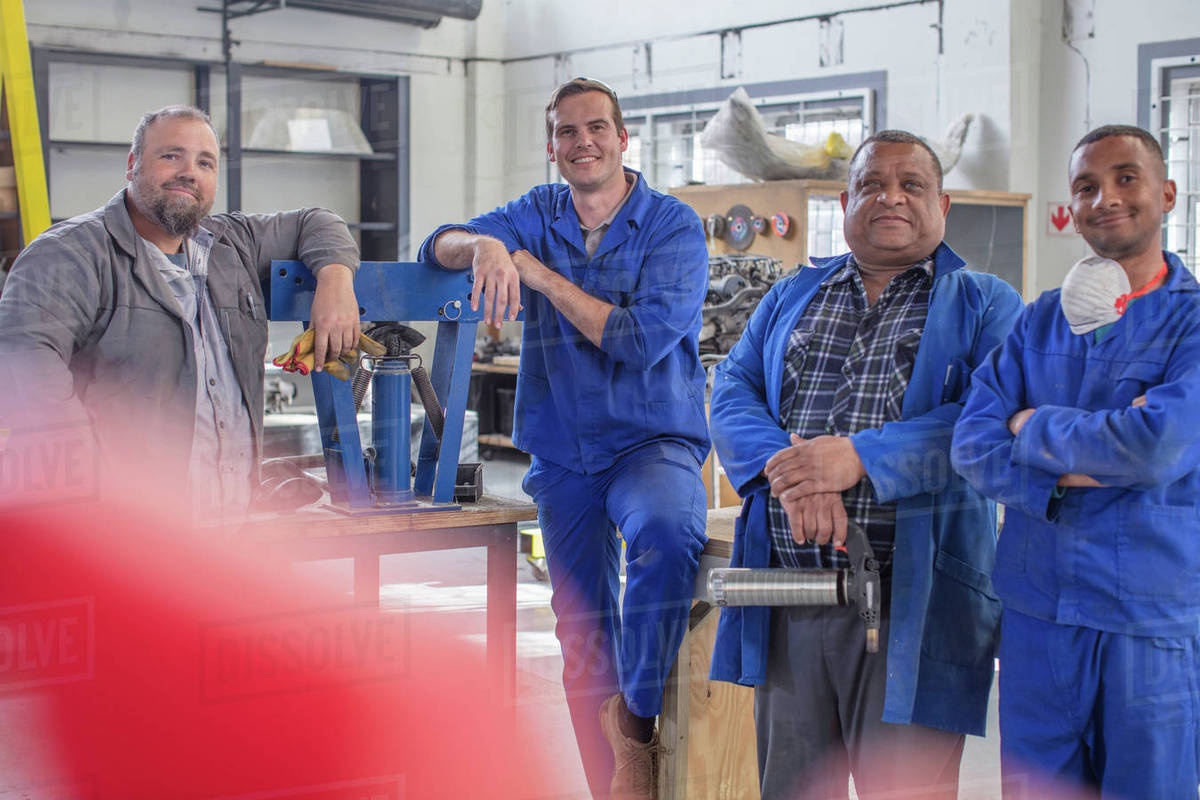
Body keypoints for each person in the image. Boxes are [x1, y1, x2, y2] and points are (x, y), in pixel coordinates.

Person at [708, 130, 1023, 799]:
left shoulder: (986, 303)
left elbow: (987, 419)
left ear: (944, 204)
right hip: (793, 599)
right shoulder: (793, 294)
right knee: (791, 785)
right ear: (847, 199)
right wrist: (785, 472)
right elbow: (733, 390)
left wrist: (857, 458)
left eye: (912, 184)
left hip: (918, 604)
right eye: (873, 184)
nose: (891, 197)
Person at [419, 78, 709, 799]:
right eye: (567, 132)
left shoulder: (673, 226)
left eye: (597, 129)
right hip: (564, 452)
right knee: (582, 639)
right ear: (552, 146)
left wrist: (539, 276)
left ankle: (635, 726)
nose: (583, 143)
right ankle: (614, 787)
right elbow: (434, 243)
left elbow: (639, 341)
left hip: (652, 443)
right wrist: (486, 241)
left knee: (668, 536)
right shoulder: (535, 211)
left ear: (623, 138)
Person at [951, 125, 1200, 798]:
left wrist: (1030, 427)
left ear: (1167, 194)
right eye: (1086, 187)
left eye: (1126, 178)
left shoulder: (1193, 326)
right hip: (1039, 617)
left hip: (1147, 619)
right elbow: (972, 443)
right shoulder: (1040, 322)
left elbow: (1158, 447)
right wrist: (1088, 460)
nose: (1104, 199)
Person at [0, 105, 362, 517]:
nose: (189, 171)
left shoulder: (233, 243)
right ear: (133, 164)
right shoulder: (66, 255)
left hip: (230, 527)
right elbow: (22, 373)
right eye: (171, 155)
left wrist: (335, 281)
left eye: (205, 162)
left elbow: (317, 221)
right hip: (118, 530)